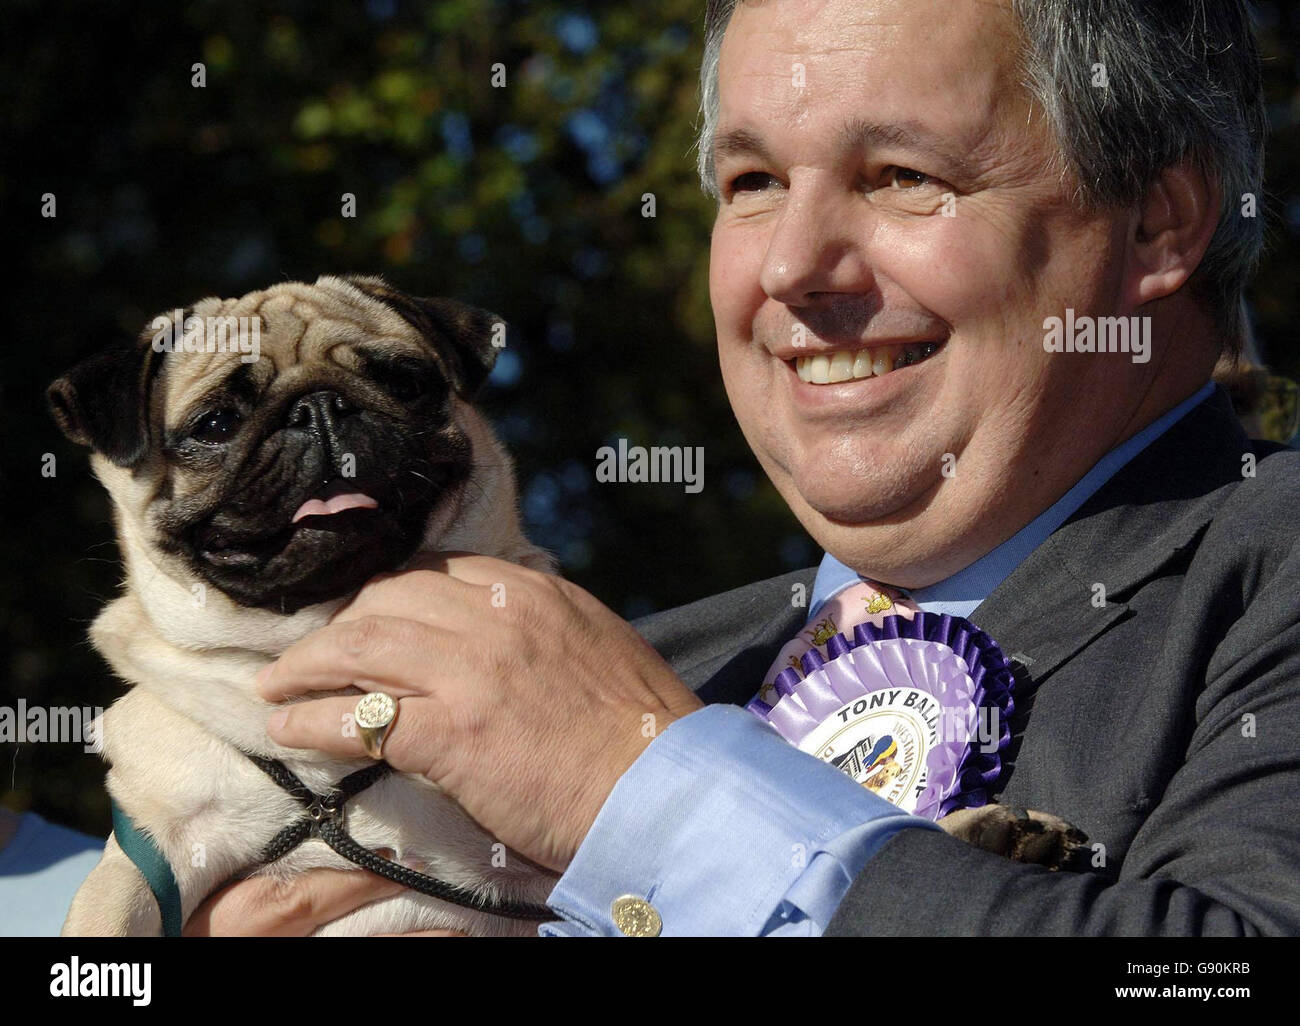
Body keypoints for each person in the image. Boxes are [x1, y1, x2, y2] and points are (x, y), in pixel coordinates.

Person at [189, 0, 1300, 936]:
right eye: (754, 180)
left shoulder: (602, 727)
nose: (789, 265)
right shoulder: (640, 669)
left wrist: (645, 797)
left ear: (1159, 222)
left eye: (900, 174)